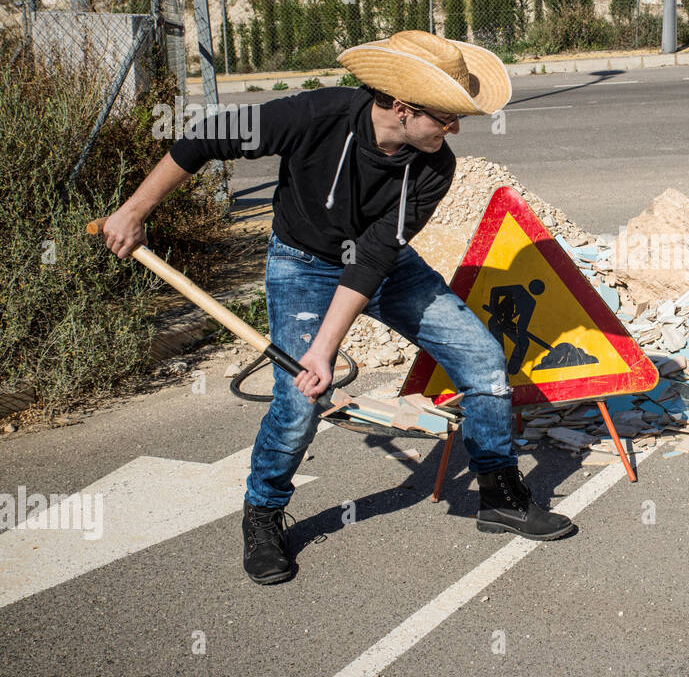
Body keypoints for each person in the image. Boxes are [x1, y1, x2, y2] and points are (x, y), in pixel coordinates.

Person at [97, 31, 574, 585]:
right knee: (300, 400)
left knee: (484, 360)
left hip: (386, 269)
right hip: (300, 262)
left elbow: (371, 261)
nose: (454, 130)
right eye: (445, 118)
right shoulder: (317, 114)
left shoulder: (434, 167)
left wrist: (325, 349)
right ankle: (264, 514)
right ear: (402, 106)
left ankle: (497, 491)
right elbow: (208, 136)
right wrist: (134, 210)